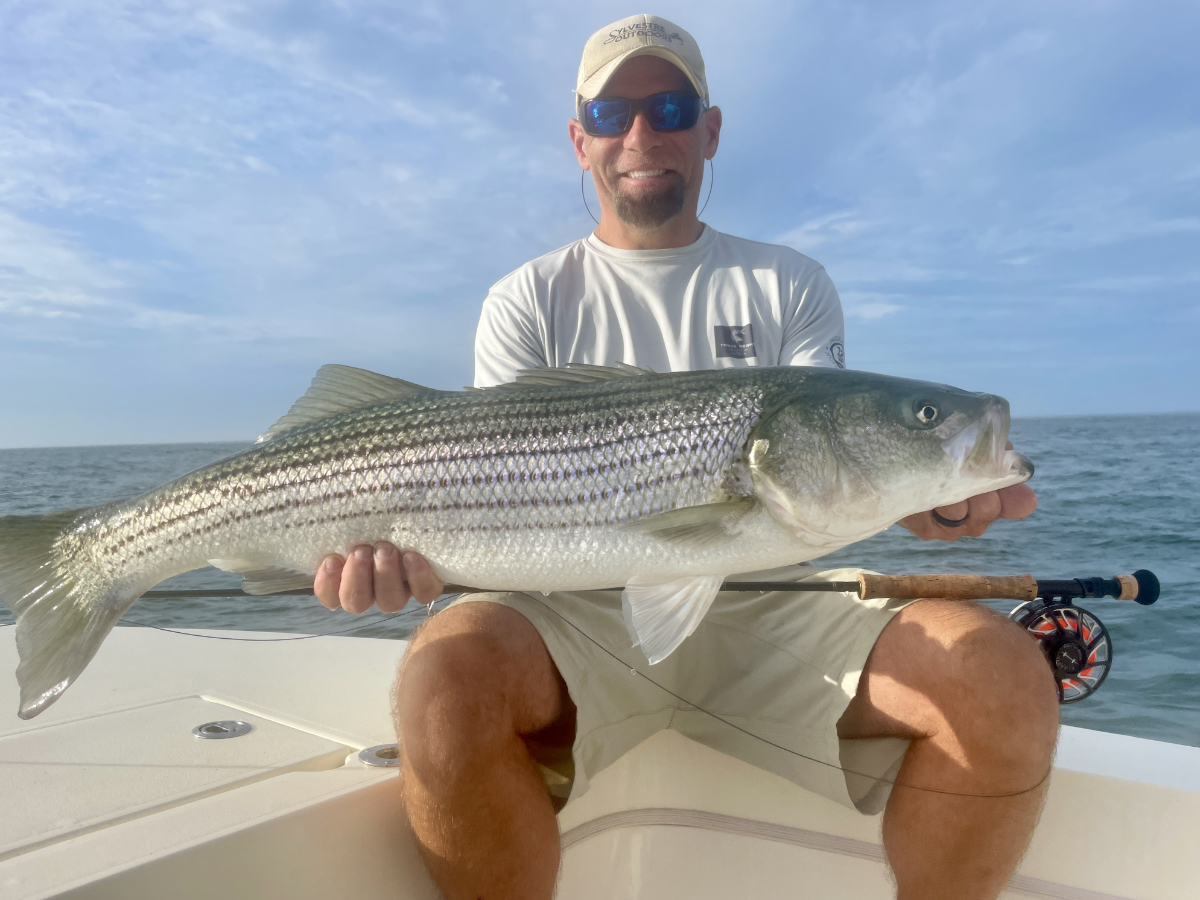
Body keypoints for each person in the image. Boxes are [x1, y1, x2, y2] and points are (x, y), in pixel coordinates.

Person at [315, 15, 1054, 900]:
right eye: (612, 110)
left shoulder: (789, 283)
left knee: (1004, 674)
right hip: (573, 616)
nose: (641, 135)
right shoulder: (526, 297)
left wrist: (923, 495)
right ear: (578, 136)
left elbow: (835, 456)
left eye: (669, 107)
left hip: (776, 605)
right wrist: (395, 568)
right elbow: (482, 485)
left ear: (708, 129)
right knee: (442, 680)